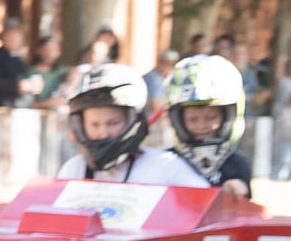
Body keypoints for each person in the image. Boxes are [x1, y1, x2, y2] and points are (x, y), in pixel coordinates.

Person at [55, 63, 205, 184]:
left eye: (113, 123)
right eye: (94, 125)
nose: (103, 133)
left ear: (133, 121)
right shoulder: (74, 170)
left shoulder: (167, 167)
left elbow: (203, 203)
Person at [165, 54, 253, 198]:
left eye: (211, 117)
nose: (202, 125)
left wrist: (231, 194)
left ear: (228, 116)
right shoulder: (167, 161)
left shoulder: (237, 163)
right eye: (193, 119)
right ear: (178, 120)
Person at [0, 17, 40, 108]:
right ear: (4, 37)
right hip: (1, 106)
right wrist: (17, 86)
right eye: (10, 36)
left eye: (16, 36)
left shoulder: (19, 59)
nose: (13, 39)